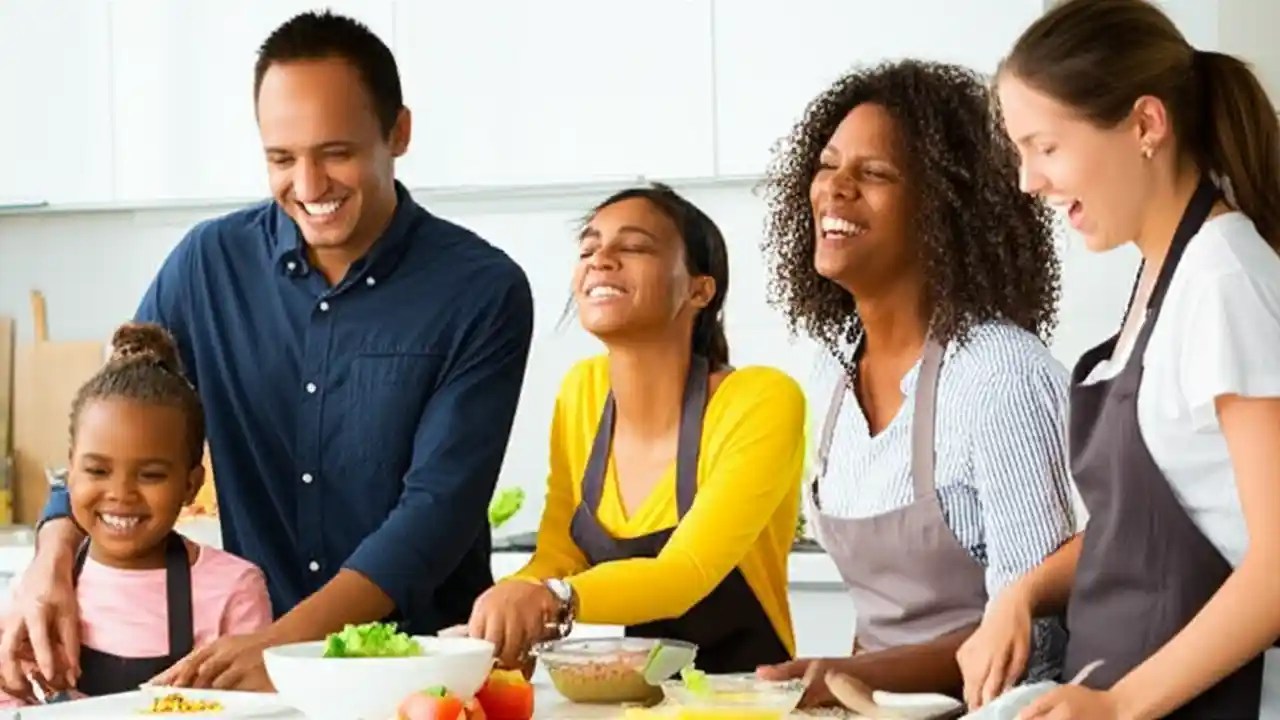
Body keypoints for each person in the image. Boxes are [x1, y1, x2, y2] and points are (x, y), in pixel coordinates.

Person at [0, 10, 533, 695]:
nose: (307, 186)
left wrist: (287, 645)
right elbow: (115, 421)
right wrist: (48, 563)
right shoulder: (207, 265)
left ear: (397, 132)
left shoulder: (482, 291)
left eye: (335, 152)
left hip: (419, 670)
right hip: (250, 670)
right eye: (282, 158)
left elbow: (436, 512)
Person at [957, 0, 1280, 718]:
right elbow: (1146, 527)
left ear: (1144, 125)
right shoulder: (1165, 277)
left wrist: (1118, 705)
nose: (1026, 181)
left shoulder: (1226, 281)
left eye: (1045, 146)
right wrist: (1025, 593)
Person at [753, 59, 1079, 705]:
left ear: (942, 210)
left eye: (874, 174)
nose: (835, 189)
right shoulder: (834, 372)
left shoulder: (998, 373)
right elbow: (876, 627)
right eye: (827, 165)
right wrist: (843, 689)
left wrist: (850, 680)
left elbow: (1034, 636)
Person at [464, 184, 806, 672]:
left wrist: (552, 599)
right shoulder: (581, 391)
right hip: (624, 698)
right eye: (589, 247)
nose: (600, 259)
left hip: (741, 698)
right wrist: (502, 614)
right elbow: (559, 553)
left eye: (634, 247)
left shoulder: (759, 400)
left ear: (699, 290)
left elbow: (685, 573)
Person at [0, 323, 272, 706]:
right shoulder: (36, 591)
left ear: (191, 485)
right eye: (97, 470)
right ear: (70, 472)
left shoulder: (234, 590)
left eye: (151, 475)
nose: (120, 494)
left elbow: (258, 712)